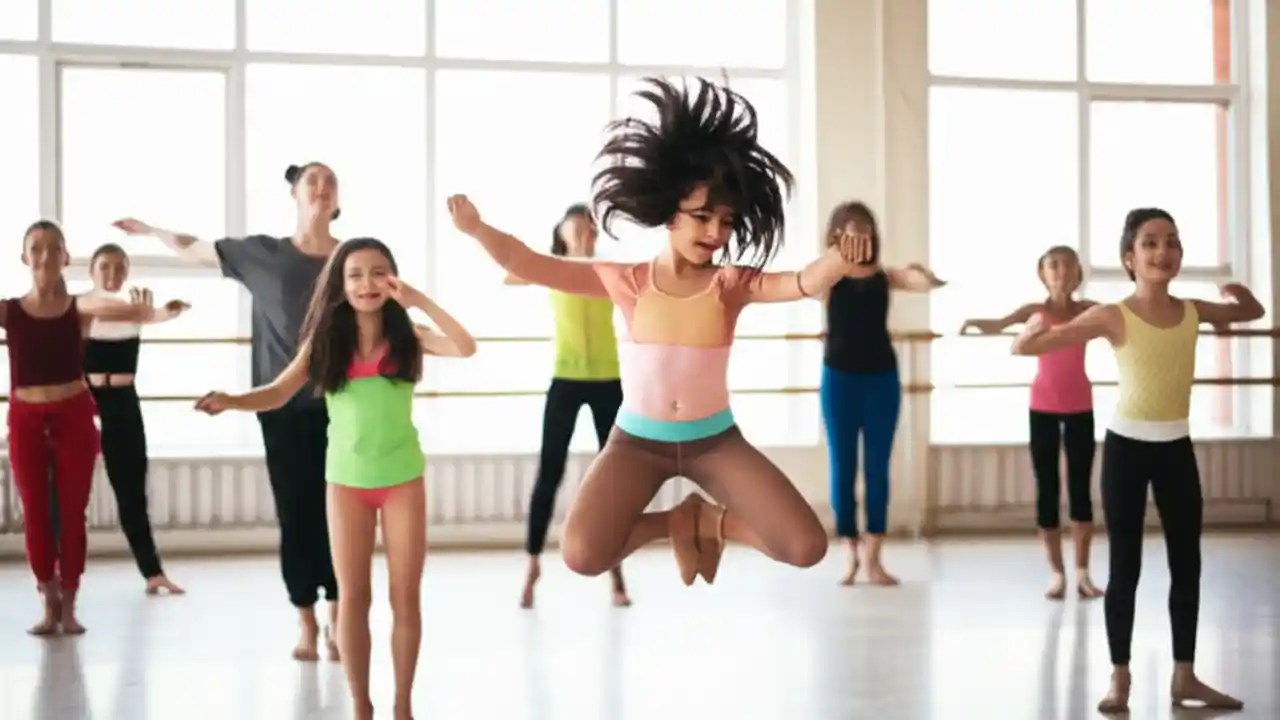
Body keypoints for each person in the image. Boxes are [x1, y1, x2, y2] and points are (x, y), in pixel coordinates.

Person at [447, 76, 869, 587]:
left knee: (805, 547)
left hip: (714, 441)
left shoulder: (730, 284)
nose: (715, 233)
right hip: (637, 443)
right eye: (702, 217)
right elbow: (530, 264)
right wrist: (476, 230)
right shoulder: (626, 281)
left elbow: (800, 283)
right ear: (670, 210)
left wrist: (835, 260)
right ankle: (675, 523)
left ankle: (708, 520)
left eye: (727, 222)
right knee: (581, 554)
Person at [196, 238, 476, 720]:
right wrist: (232, 400)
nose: (367, 283)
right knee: (354, 598)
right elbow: (279, 392)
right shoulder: (326, 341)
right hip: (346, 483)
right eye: (356, 274)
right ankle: (360, 705)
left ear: (392, 280)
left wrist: (420, 300)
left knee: (404, 597)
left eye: (377, 273)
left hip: (402, 480)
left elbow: (465, 346)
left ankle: (403, 707)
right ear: (341, 285)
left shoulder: (410, 334)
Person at [1011, 207, 1253, 713]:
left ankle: (1184, 677)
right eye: (1149, 243)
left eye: (1171, 242)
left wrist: (1239, 293)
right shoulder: (1111, 314)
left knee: (1188, 565)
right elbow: (1031, 346)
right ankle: (1120, 678)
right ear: (1130, 258)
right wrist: (1028, 331)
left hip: (1176, 450)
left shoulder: (1193, 310)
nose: (1162, 252)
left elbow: (1249, 314)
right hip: (1125, 450)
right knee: (1126, 569)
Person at [113, 161, 342, 661]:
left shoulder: (352, 259)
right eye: (313, 181)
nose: (322, 187)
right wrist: (153, 231)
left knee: (340, 515)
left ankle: (338, 620)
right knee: (296, 516)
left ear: (338, 199)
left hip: (344, 408)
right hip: (280, 409)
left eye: (330, 181)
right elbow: (199, 247)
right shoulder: (266, 255)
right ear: (296, 195)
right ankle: (305, 620)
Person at [5, 220, 187, 636]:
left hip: (75, 414)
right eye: (37, 248)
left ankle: (69, 605)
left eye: (55, 249)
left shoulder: (80, 307)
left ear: (67, 258)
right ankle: (47, 600)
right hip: (27, 419)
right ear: (24, 257)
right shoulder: (11, 310)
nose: (47, 256)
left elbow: (113, 309)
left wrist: (152, 313)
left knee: (73, 512)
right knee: (36, 513)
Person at [960, 245, 1104, 600]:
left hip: (1079, 406)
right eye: (1053, 265)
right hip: (1042, 407)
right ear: (1042, 273)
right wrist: (974, 323)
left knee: (1081, 489)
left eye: (1067, 265)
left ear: (1077, 273)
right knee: (1048, 488)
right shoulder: (1034, 311)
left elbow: (1123, 325)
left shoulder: (1089, 311)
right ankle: (1056, 574)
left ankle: (1083, 573)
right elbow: (1000, 324)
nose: (1060, 271)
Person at [505, 204, 630, 608]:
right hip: (566, 381)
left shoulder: (606, 270)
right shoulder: (555, 270)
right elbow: (511, 274)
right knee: (550, 472)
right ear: (561, 231)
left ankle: (616, 571)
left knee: (614, 476)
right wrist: (558, 259)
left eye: (587, 225)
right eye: (573, 224)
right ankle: (532, 565)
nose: (582, 229)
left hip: (608, 381)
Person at [819, 201, 945, 587]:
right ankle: (850, 554)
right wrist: (837, 258)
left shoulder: (885, 276)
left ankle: (874, 558)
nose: (859, 237)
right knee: (842, 470)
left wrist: (922, 273)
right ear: (836, 236)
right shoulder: (827, 278)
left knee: (877, 471)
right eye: (849, 230)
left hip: (881, 381)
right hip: (839, 381)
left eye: (865, 229)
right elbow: (805, 283)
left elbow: (924, 283)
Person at [83, 243, 186, 596]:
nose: (112, 274)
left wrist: (170, 309)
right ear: (92, 272)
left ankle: (153, 572)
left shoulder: (137, 309)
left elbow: (163, 314)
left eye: (119, 268)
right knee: (68, 493)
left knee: (131, 491)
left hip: (123, 404)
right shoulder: (83, 303)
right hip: (85, 402)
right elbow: (101, 310)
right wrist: (140, 313)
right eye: (105, 267)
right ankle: (60, 581)